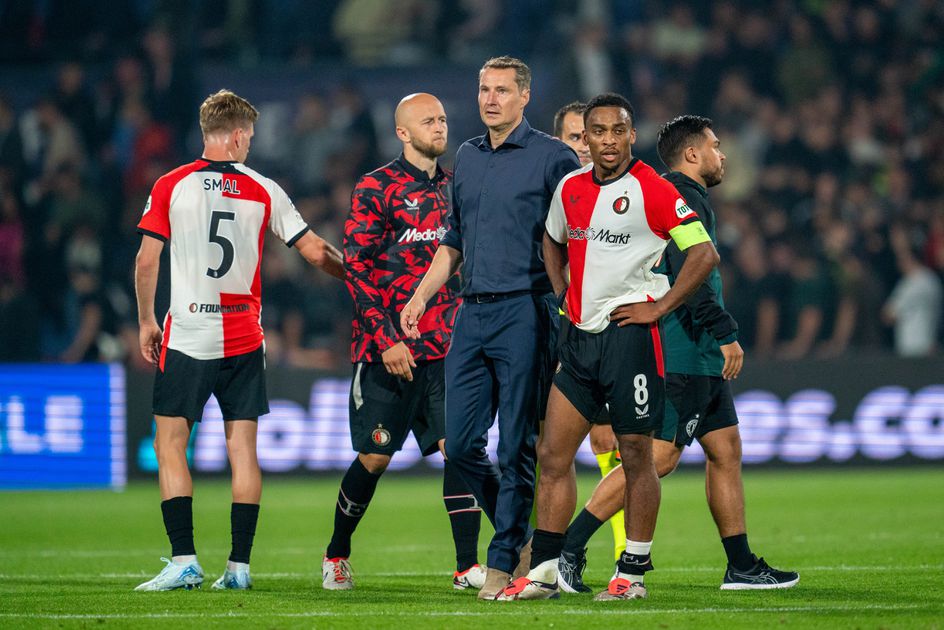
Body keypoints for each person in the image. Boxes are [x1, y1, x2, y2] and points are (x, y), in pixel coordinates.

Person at [557, 115, 799, 593]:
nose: (722, 154)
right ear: (692, 154)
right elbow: (684, 272)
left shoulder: (692, 197)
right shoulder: (675, 196)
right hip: (681, 351)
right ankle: (568, 548)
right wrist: (724, 331)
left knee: (725, 450)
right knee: (656, 460)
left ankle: (741, 565)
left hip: (700, 353)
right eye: (715, 145)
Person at [496, 94, 719, 602]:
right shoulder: (570, 187)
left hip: (630, 340)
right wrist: (561, 294)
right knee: (553, 456)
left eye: (618, 131)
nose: (608, 141)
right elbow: (551, 240)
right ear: (587, 137)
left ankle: (632, 573)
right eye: (598, 132)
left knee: (636, 456)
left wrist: (658, 309)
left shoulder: (654, 189)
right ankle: (546, 572)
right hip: (577, 341)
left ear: (631, 135)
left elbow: (704, 254)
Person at [133, 89, 343, 591]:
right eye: (248, 136)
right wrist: (359, 275)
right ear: (238, 135)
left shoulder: (171, 184)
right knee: (242, 450)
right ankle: (239, 567)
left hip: (187, 335)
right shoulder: (264, 188)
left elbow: (146, 260)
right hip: (245, 337)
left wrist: (145, 320)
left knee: (170, 443)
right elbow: (315, 252)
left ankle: (184, 559)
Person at [401, 56, 581, 599]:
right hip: (471, 313)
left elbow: (576, 237)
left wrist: (569, 308)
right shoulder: (468, 156)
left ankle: (502, 562)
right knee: (458, 445)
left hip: (527, 311)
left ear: (524, 97)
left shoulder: (553, 158)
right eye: (484, 89)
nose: (490, 98)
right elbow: (453, 241)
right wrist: (421, 294)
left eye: (502, 90)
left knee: (517, 446)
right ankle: (524, 535)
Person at [321, 93, 485, 592]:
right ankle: (337, 552)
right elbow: (357, 268)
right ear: (402, 132)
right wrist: (386, 337)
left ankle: (466, 566)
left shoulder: (458, 186)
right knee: (374, 459)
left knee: (460, 450)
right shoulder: (376, 187)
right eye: (427, 120)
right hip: (385, 352)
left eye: (442, 118)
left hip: (447, 347)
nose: (439, 126)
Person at [553, 100, 625, 564]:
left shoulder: (625, 189)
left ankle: (622, 549)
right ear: (558, 141)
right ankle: (543, 552)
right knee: (548, 448)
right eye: (576, 137)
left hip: (601, 330)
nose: (585, 145)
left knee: (608, 439)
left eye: (591, 136)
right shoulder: (553, 188)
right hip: (549, 323)